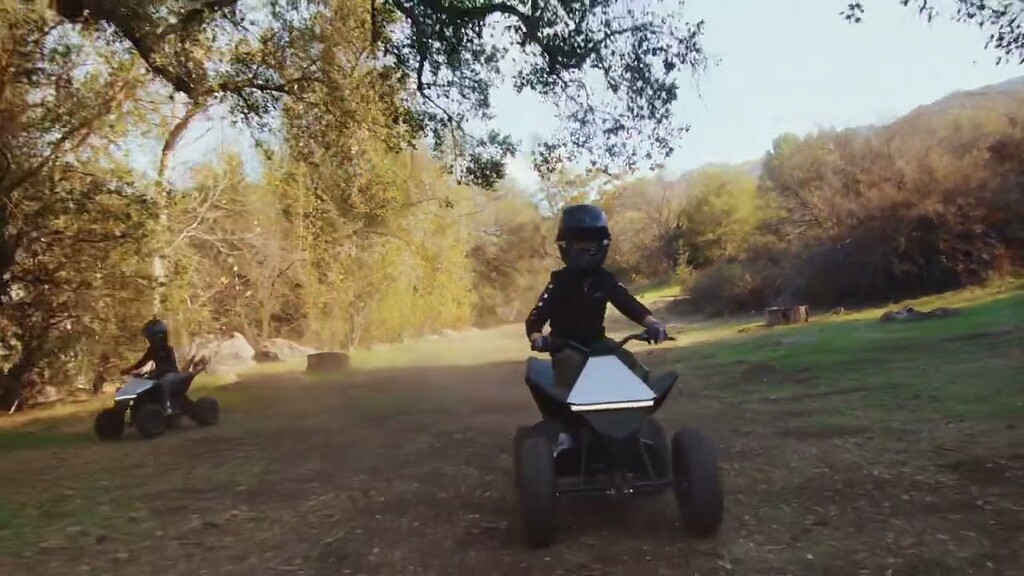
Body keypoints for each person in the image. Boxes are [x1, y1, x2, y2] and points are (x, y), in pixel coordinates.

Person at [524, 204, 669, 449]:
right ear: (566, 247)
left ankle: (628, 428)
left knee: (630, 366)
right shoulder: (559, 282)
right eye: (578, 242)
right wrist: (538, 337)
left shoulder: (605, 279)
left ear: (602, 244)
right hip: (565, 345)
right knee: (571, 375)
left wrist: (653, 323)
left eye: (591, 241)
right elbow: (535, 318)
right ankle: (568, 432)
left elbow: (628, 304)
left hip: (598, 344)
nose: (585, 247)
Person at [121, 318, 180, 415]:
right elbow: (141, 362)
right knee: (141, 384)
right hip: (159, 374)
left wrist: (154, 372)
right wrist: (129, 370)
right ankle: (138, 408)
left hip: (171, 374)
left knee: (161, 384)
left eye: (150, 338)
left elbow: (169, 366)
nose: (148, 340)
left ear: (158, 337)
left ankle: (167, 407)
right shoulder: (152, 350)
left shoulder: (166, 349)